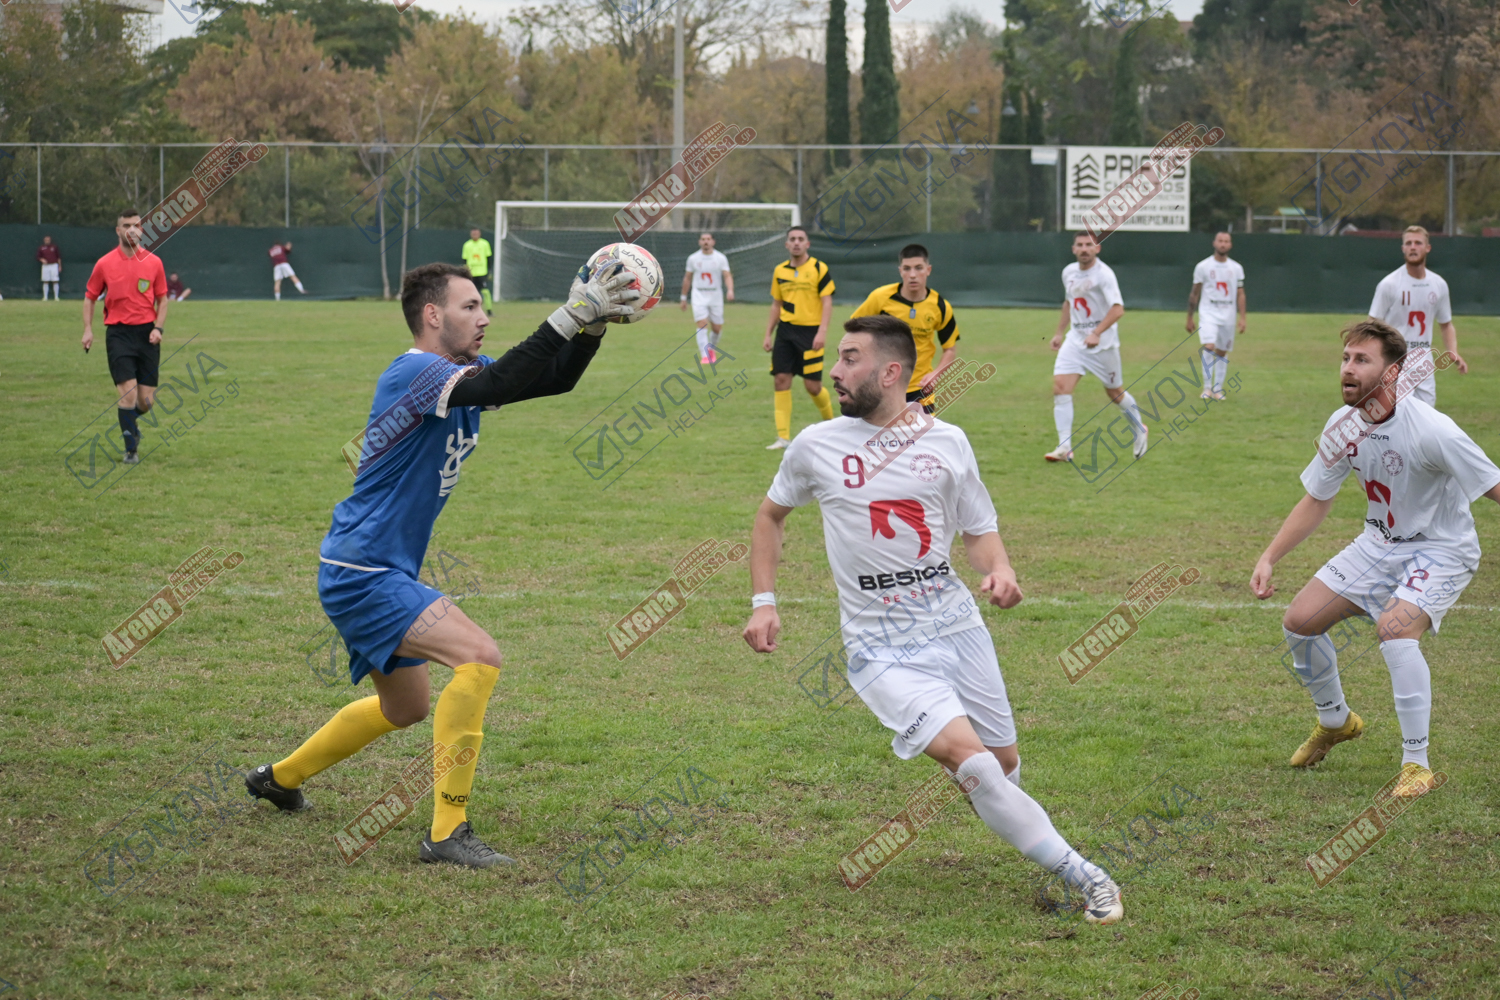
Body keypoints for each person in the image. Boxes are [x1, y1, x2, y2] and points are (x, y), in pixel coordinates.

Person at [245, 259, 640, 869]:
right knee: (479, 657)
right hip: (364, 570)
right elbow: (494, 384)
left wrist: (593, 327)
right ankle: (447, 832)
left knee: (404, 709)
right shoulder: (416, 373)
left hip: (372, 568)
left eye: (484, 308)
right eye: (469, 307)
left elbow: (542, 380)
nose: (483, 317)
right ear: (432, 316)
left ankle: (281, 777)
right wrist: (572, 313)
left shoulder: (456, 372)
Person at [742, 314, 1125, 925]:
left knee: (1001, 770)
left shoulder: (948, 442)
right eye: (837, 359)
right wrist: (765, 603)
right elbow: (770, 517)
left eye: (849, 359)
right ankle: (1087, 876)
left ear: (890, 372)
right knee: (970, 762)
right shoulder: (816, 446)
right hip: (878, 648)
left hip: (957, 627)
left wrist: (1000, 571)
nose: (834, 371)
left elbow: (980, 533)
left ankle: (1003, 806)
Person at [1250, 320, 1500, 795]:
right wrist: (1270, 556)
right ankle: (1336, 721)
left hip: (1442, 549)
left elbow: (1493, 485)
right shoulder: (1341, 426)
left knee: (1395, 630)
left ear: (1392, 374)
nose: (1347, 368)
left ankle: (1416, 764)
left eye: (1362, 360)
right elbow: (1317, 499)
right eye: (1345, 358)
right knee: (1299, 621)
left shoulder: (1432, 429)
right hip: (1378, 543)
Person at [1047, 233, 1149, 464]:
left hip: (1103, 345)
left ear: (1097, 249)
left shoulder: (1104, 275)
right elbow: (1069, 302)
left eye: (1089, 245)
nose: (1084, 249)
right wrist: (1059, 332)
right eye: (1080, 245)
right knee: (1061, 387)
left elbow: (1117, 309)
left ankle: (1139, 428)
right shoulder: (1068, 272)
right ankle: (1064, 447)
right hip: (1076, 341)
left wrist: (1096, 333)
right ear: (1073, 249)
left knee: (1114, 393)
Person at [81, 209, 169, 466]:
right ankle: (131, 450)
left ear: (142, 230)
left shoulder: (154, 263)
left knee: (146, 401)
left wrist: (158, 328)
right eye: (127, 225)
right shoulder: (104, 264)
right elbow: (89, 297)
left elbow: (163, 299)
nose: (132, 229)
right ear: (118, 231)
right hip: (118, 334)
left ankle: (131, 423)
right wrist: (88, 329)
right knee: (127, 395)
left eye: (137, 225)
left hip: (147, 334)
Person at [849, 243, 959, 414]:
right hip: (883, 385)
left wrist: (936, 374)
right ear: (900, 271)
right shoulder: (881, 298)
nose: (913, 275)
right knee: (881, 439)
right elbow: (854, 330)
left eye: (918, 268)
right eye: (907, 269)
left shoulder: (940, 306)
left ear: (928, 270)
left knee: (920, 439)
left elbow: (950, 349)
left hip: (921, 389)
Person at [1368, 226, 1465, 407]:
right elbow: (1373, 324)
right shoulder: (1389, 284)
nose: (1413, 247)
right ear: (1403, 248)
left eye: (1418, 243)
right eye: (1409, 243)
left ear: (1427, 248)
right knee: (1399, 414)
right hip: (1396, 359)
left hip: (1423, 361)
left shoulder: (1439, 284)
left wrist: (1453, 351)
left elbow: (1446, 324)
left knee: (1427, 416)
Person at [763, 226, 836, 450]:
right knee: (781, 380)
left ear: (807, 244)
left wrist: (822, 332)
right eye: (792, 239)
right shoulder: (780, 271)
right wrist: (768, 333)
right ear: (786, 245)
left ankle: (832, 426)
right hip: (785, 332)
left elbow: (827, 301)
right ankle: (783, 438)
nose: (796, 242)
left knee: (813, 386)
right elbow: (777, 304)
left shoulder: (818, 268)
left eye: (800, 239)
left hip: (811, 333)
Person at [1186, 231, 1246, 401]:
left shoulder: (1236, 268)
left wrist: (1243, 318)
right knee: (1209, 345)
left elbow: (1241, 294)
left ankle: (1218, 389)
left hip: (1228, 314)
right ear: (1214, 243)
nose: (1223, 244)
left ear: (1230, 245)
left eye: (1226, 241)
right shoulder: (1203, 266)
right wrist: (1189, 317)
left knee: (1222, 351)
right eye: (1220, 240)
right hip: (1208, 312)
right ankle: (1206, 388)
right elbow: (1194, 293)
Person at [680, 231, 734, 365]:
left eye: (708, 239)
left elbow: (727, 275)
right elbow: (687, 278)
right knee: (702, 323)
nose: (706, 241)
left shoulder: (720, 258)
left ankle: (711, 349)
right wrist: (683, 297)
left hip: (715, 295)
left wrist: (730, 290)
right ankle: (705, 355)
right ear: (699, 242)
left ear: (713, 241)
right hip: (699, 294)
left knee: (717, 328)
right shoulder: (693, 258)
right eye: (703, 239)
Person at [462, 227, 493, 315]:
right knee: (470, 294)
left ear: (479, 234)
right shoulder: (467, 245)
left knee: (485, 292)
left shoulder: (484, 244)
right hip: (471, 273)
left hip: (482, 272)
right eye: (473, 233)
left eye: (476, 233)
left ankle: (489, 310)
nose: (475, 235)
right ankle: (471, 310)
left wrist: (489, 271)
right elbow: (464, 260)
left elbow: (489, 258)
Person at [37, 235, 61, 301]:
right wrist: (42, 260)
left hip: (54, 265)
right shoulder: (41, 248)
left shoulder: (54, 247)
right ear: (44, 241)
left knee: (55, 280)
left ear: (50, 240)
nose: (47, 241)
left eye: (48, 240)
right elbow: (38, 257)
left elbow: (58, 257)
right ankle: (45, 297)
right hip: (45, 266)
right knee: (45, 281)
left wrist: (59, 266)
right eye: (46, 240)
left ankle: (56, 297)